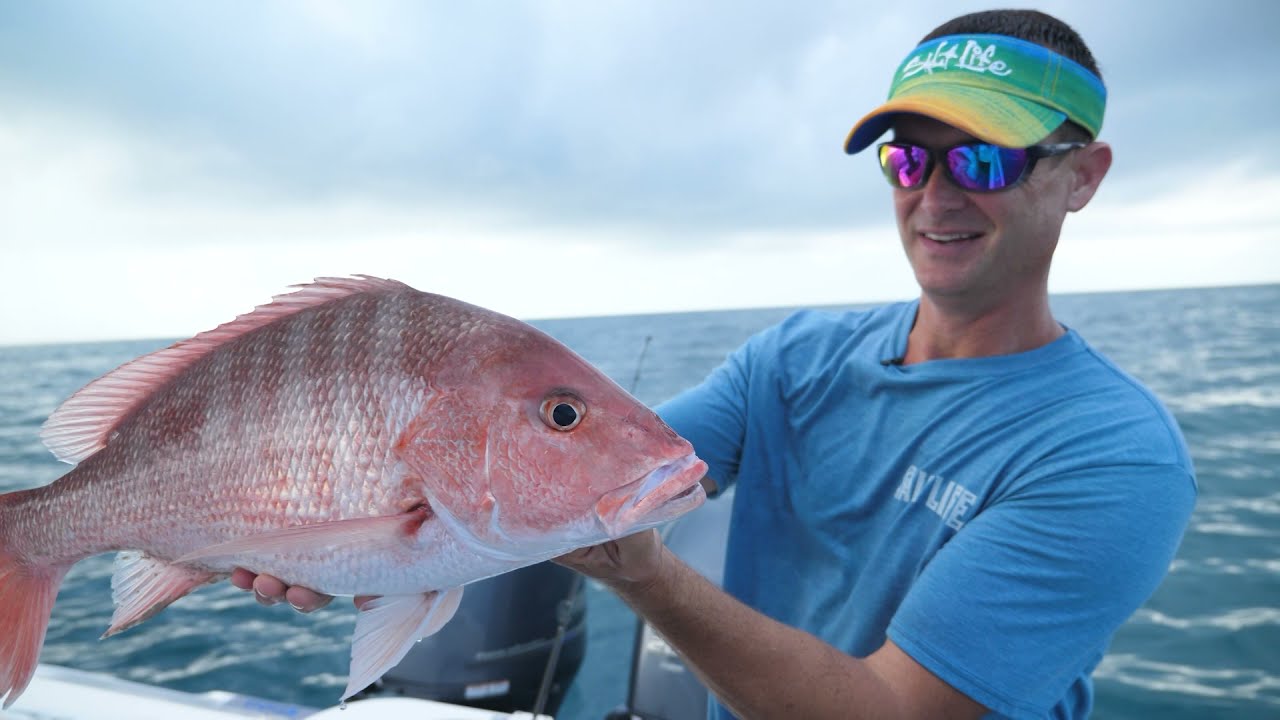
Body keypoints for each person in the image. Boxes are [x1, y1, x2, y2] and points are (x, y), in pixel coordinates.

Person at [236, 9, 1196, 719]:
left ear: (1082, 176)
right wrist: (336, 530)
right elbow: (575, 478)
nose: (936, 196)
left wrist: (649, 580)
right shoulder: (795, 358)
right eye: (909, 160)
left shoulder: (1110, 457)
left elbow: (892, 714)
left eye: (983, 161)